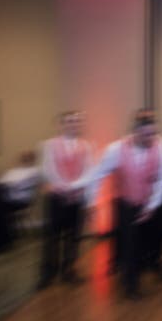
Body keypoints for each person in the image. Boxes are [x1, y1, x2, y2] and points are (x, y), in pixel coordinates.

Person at [86, 112, 162, 299]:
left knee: (148, 241)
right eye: (147, 134)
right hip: (125, 203)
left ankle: (144, 268)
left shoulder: (161, 147)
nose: (151, 138)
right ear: (135, 132)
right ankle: (130, 286)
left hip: (149, 201)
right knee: (129, 245)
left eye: (154, 133)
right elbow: (97, 175)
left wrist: (152, 205)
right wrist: (91, 203)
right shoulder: (115, 150)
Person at [38, 111, 95, 288]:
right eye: (70, 121)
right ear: (61, 124)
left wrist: (76, 189)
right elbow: (48, 169)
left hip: (77, 198)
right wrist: (63, 187)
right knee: (52, 236)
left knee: (73, 237)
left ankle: (69, 270)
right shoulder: (49, 145)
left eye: (77, 121)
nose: (74, 124)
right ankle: (48, 273)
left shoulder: (87, 146)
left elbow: (89, 171)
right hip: (56, 197)